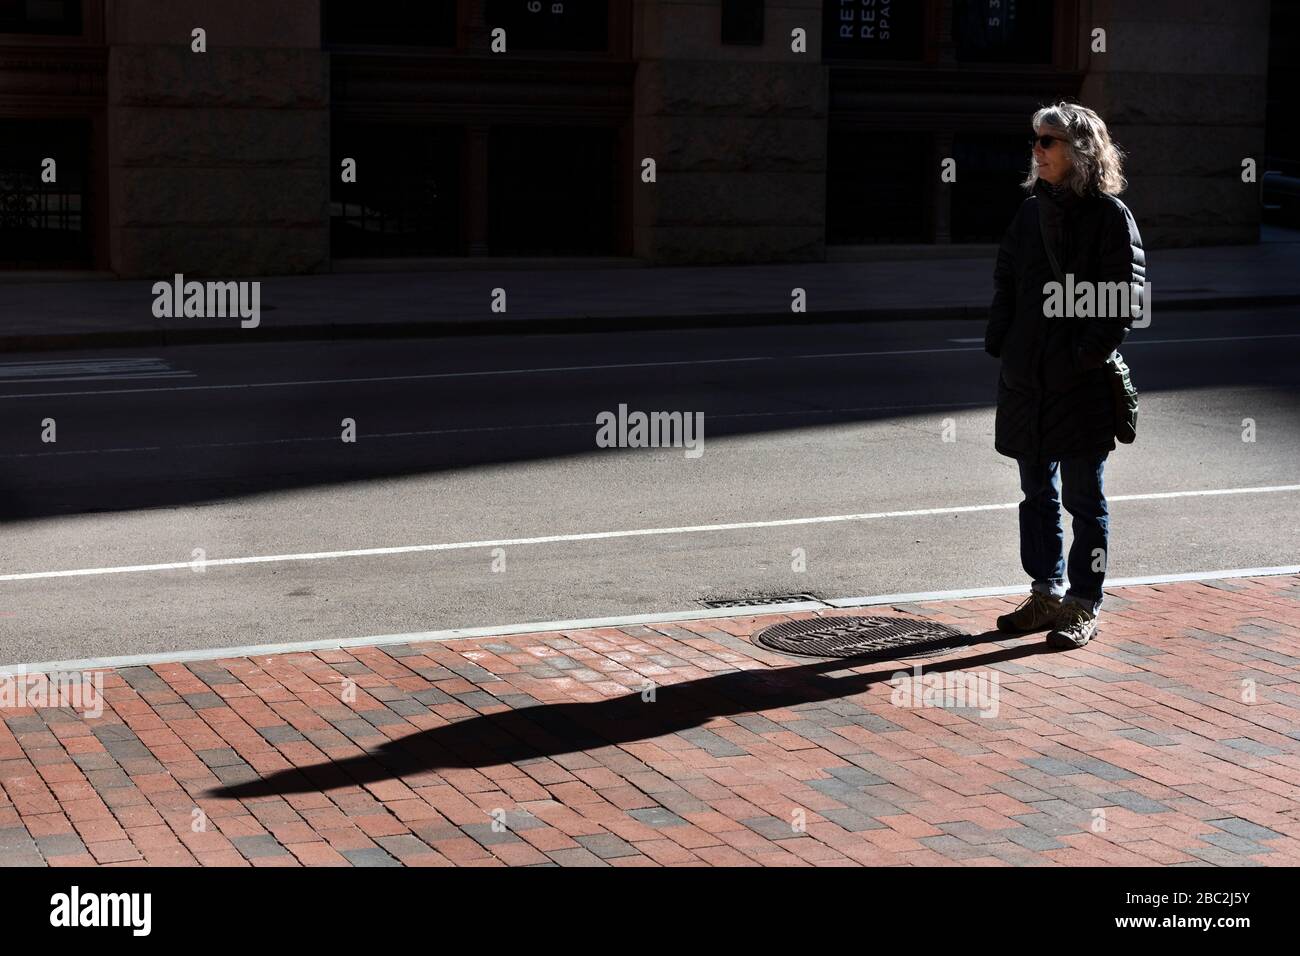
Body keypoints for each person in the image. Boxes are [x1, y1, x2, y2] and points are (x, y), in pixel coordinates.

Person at [983, 102, 1145, 649]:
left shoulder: (1108, 216)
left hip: (1079, 385)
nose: (1038, 149)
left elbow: (1122, 301)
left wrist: (1080, 359)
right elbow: (1007, 277)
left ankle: (1083, 602)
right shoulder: (1029, 213)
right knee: (1036, 495)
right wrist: (1001, 339)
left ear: (1080, 151)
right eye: (1035, 139)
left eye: (1048, 141)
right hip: (1027, 379)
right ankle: (1046, 593)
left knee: (1084, 499)